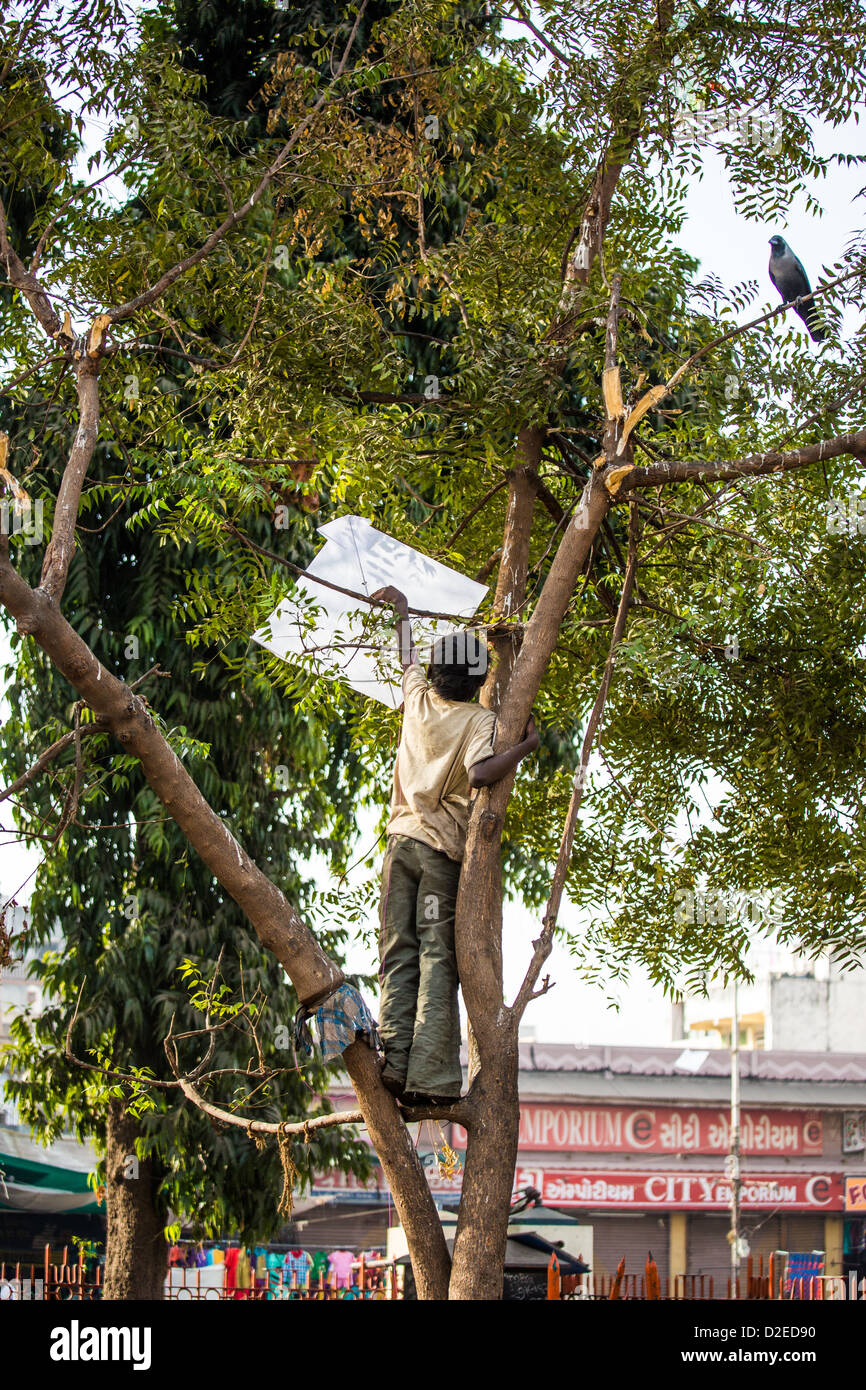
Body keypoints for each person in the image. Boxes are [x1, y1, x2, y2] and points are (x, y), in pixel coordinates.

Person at [369, 584, 539, 1108]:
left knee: (398, 952)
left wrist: (403, 609)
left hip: (398, 847)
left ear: (437, 674)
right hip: (439, 854)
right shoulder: (481, 721)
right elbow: (482, 772)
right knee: (437, 957)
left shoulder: (416, 699)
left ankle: (394, 1061)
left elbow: (406, 655)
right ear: (478, 680)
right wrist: (526, 746)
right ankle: (429, 1078)